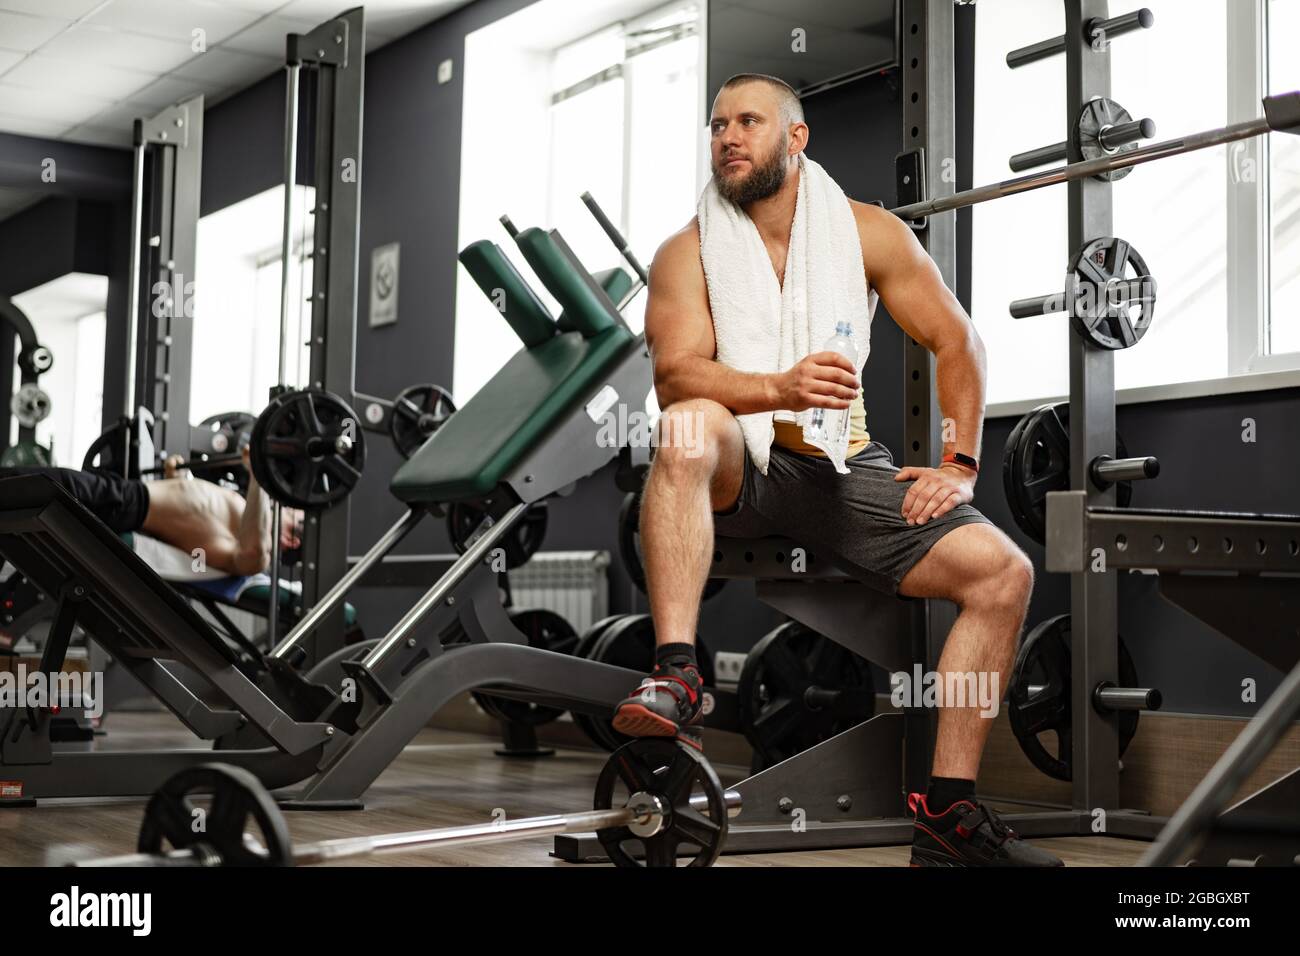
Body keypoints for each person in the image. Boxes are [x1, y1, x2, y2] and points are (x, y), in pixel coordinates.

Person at [611, 73, 1060, 867]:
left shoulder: (868, 233)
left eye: (748, 121)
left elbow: (959, 342)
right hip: (739, 466)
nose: (727, 137)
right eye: (717, 125)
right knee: (684, 426)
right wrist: (776, 388)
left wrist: (959, 464)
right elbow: (676, 376)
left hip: (840, 466)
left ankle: (949, 815)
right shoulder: (686, 251)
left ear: (797, 137)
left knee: (1003, 573)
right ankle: (678, 675)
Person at [0, 446, 300, 577]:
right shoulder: (245, 517)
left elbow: (252, 552)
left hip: (124, 505)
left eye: (293, 516)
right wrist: (176, 478)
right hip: (126, 493)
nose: (284, 507)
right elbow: (192, 514)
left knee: (31, 485)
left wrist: (259, 473)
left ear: (290, 540)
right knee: (22, 488)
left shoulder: (255, 555)